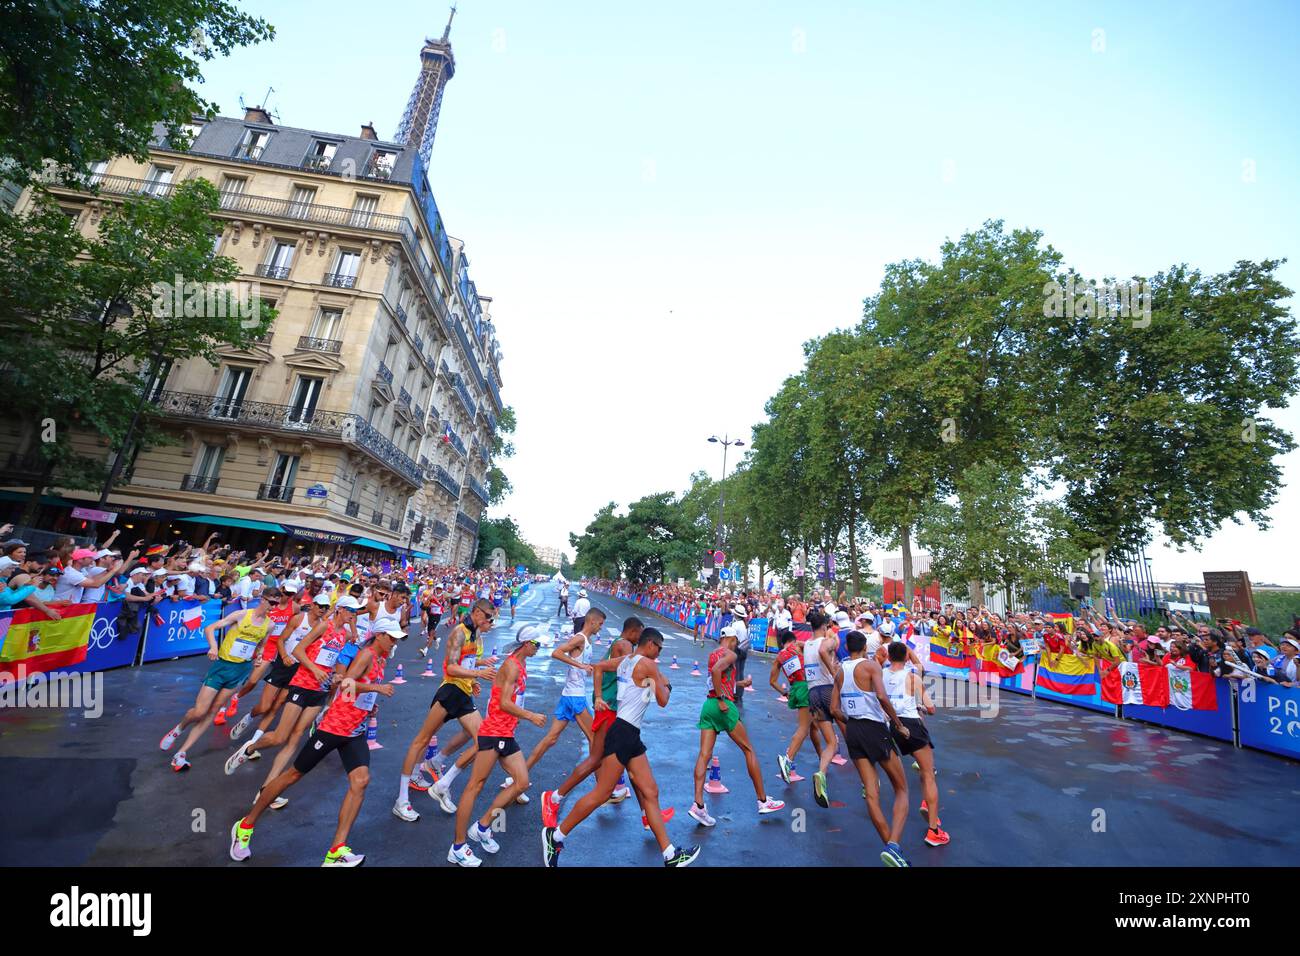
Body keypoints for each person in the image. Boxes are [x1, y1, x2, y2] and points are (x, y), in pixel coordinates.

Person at [229, 625, 404, 866]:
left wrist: (369, 703)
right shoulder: (366, 654)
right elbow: (347, 684)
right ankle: (245, 826)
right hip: (333, 727)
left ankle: (336, 851)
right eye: (393, 638)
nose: (395, 643)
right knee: (293, 775)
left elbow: (356, 690)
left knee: (361, 781)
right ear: (381, 635)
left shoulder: (382, 659)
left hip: (355, 730)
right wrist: (376, 688)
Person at [542, 627, 700, 868]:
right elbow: (663, 701)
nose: (660, 653)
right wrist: (665, 683)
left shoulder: (627, 660)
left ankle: (669, 855)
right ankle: (555, 837)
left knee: (650, 791)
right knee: (602, 793)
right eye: (659, 648)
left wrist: (597, 695)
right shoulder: (648, 664)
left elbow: (599, 666)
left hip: (629, 733)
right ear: (650, 644)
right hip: (623, 732)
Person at [448, 625, 548, 866]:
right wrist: (530, 715)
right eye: (537, 644)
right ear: (527, 644)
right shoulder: (512, 666)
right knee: (475, 786)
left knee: (521, 782)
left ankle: (482, 826)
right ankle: (458, 847)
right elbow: (503, 703)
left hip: (506, 734)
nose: (539, 648)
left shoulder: (522, 664)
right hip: (493, 733)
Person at [392, 598, 498, 822]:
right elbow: (450, 667)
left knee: (482, 738)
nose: (491, 621)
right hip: (450, 690)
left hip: (464, 692)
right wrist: (477, 674)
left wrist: (477, 673)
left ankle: (438, 766)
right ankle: (401, 800)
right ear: (477, 612)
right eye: (489, 617)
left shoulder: (477, 635)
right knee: (422, 739)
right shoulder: (459, 632)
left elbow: (466, 663)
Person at [160, 590, 275, 771]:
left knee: (213, 712)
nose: (273, 606)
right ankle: (179, 729)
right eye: (271, 602)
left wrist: (259, 656)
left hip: (240, 670)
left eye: (276, 603)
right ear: (262, 599)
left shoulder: (269, 625)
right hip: (222, 666)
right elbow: (210, 628)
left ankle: (181, 753)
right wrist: (213, 647)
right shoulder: (241, 615)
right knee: (200, 712)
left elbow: (261, 645)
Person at [688, 627, 785, 827]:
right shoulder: (730, 653)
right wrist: (723, 699)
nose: (736, 645)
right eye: (736, 641)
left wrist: (741, 683)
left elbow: (720, 678)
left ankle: (698, 804)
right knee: (749, 750)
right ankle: (763, 801)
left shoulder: (714, 653)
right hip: (723, 706)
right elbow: (717, 673)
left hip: (708, 706)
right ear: (731, 639)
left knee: (704, 755)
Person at [831, 631, 912, 867]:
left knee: (871, 792)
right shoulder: (870, 666)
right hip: (874, 729)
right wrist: (898, 724)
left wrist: (852, 722)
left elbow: (834, 709)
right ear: (865, 646)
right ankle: (894, 845)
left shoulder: (839, 671)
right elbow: (882, 696)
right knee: (902, 789)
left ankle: (891, 847)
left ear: (847, 647)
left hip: (853, 730)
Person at [519, 609, 600, 781]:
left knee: (551, 738)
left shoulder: (587, 640)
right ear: (592, 622)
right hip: (575, 696)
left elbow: (580, 662)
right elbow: (556, 653)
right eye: (600, 624)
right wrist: (581, 667)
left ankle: (519, 775)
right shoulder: (580, 639)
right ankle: (606, 786)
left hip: (569, 694)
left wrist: (587, 666)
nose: (601, 627)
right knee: (595, 739)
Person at [883, 641, 948, 847]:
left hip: (892, 725)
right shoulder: (912, 677)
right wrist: (922, 705)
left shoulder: (880, 674)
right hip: (911, 725)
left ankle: (926, 804)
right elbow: (931, 709)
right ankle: (933, 831)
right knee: (929, 773)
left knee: (920, 767)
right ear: (907, 657)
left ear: (889, 657)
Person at [771, 629, 811, 783]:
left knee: (813, 727)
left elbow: (772, 681)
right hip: (807, 687)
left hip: (795, 688)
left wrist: (785, 693)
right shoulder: (798, 646)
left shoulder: (779, 657)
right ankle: (788, 759)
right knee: (803, 728)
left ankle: (823, 758)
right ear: (793, 639)